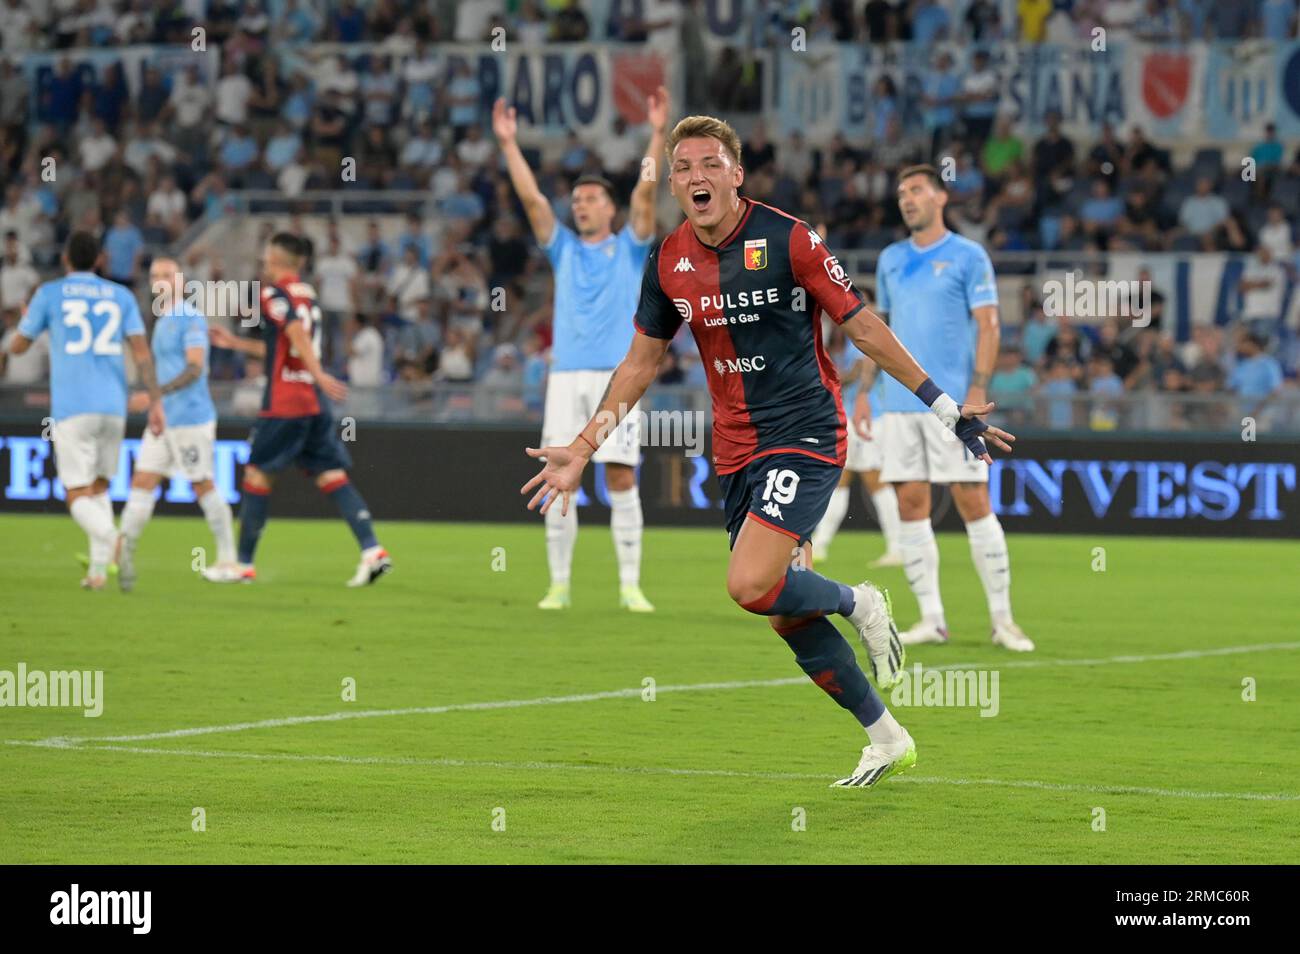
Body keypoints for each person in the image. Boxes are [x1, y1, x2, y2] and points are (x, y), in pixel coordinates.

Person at [520, 115, 1016, 787]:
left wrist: (945, 407)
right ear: (673, 184)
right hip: (734, 451)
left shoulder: (789, 237)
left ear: (735, 174)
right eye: (683, 168)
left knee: (748, 584)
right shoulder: (667, 259)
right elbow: (639, 364)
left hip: (807, 433)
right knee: (783, 610)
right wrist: (582, 448)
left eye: (709, 164)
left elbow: (863, 325)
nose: (696, 176)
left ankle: (860, 602)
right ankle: (887, 737)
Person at [493, 87, 668, 612]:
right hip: (566, 377)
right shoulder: (564, 247)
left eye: (591, 199)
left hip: (618, 378)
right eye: (577, 201)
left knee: (620, 476)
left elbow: (645, 194)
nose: (581, 205)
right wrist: (508, 143)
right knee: (559, 474)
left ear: (610, 209)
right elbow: (532, 201)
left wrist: (657, 133)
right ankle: (560, 584)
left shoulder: (632, 245)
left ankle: (630, 585)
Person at [875, 165, 1034, 652]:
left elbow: (989, 326)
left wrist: (978, 391)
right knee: (910, 504)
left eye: (917, 190)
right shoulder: (889, 259)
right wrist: (863, 391)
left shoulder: (968, 256)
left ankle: (1003, 621)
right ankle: (932, 619)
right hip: (898, 403)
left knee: (972, 501)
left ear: (941, 197)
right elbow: (879, 332)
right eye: (901, 192)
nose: (907, 199)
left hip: (954, 405)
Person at [209, 233, 391, 586]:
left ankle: (243, 564)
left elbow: (294, 333)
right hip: (313, 403)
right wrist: (236, 344)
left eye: (265, 261)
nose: (263, 267)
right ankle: (372, 551)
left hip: (285, 404)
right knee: (331, 475)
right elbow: (286, 347)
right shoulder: (309, 296)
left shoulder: (273, 294)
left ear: (277, 262)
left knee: (257, 477)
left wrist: (320, 374)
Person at [6, 231, 164, 589]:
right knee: (99, 487)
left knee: (76, 492)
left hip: (73, 406)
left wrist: (26, 320)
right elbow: (141, 353)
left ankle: (113, 541)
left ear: (65, 260)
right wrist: (154, 400)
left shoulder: (49, 293)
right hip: (113, 406)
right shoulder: (121, 296)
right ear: (100, 261)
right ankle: (97, 573)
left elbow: (17, 347)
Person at [118, 257, 238, 588]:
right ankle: (120, 555)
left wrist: (153, 394)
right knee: (142, 480)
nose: (159, 280)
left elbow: (195, 368)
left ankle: (229, 560)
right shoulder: (162, 319)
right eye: (155, 275)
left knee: (203, 484)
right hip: (164, 417)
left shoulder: (190, 318)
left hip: (190, 417)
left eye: (167, 275)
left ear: (181, 281)